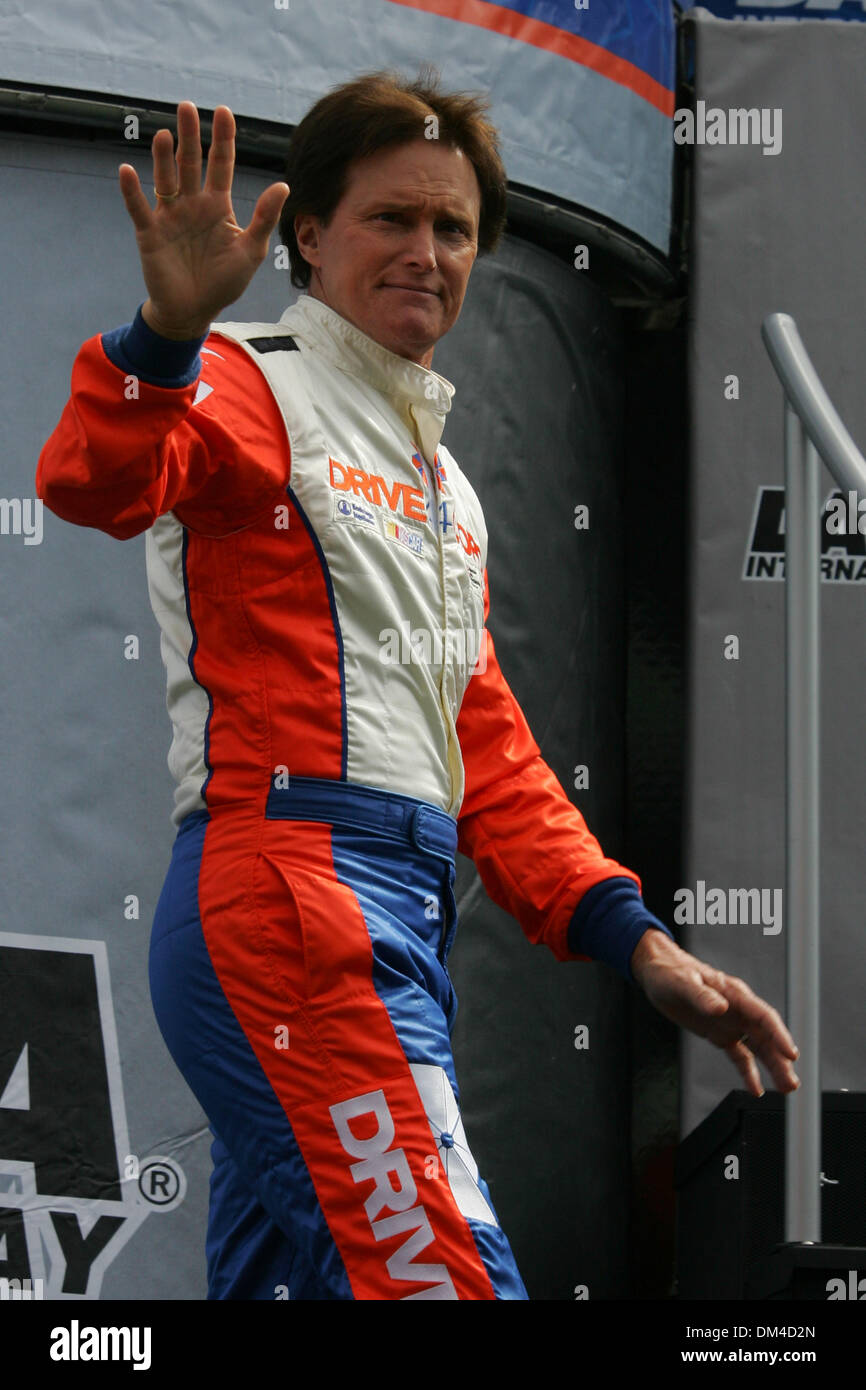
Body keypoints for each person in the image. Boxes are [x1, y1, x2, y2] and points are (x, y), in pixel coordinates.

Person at [36, 70, 799, 1301]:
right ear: (308, 236)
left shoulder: (449, 491)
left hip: (393, 917)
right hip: (292, 904)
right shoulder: (240, 376)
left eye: (451, 227)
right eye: (389, 218)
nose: (424, 251)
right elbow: (89, 485)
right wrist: (161, 335)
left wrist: (636, 940)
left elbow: (485, 752)